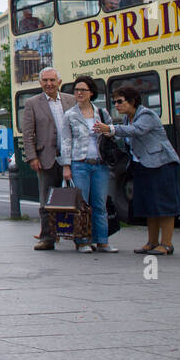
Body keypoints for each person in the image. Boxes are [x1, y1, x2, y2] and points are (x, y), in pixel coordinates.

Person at [94, 85, 180, 256]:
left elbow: (137, 131)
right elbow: (124, 134)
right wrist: (108, 133)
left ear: (132, 101)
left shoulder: (146, 115)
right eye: (114, 102)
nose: (116, 105)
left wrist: (111, 129)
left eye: (119, 101)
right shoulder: (128, 118)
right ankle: (152, 242)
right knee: (149, 205)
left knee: (165, 205)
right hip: (142, 166)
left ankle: (167, 244)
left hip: (161, 165)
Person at [21, 66, 78, 250]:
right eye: (45, 80)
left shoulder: (71, 100)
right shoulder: (32, 103)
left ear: (59, 82)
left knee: (76, 197)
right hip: (46, 157)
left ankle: (79, 236)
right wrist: (32, 157)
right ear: (40, 83)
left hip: (71, 157)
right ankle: (48, 237)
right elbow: (28, 134)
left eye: (52, 80)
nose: (49, 84)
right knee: (46, 199)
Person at [60, 75, 118, 254]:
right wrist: (66, 166)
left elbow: (113, 132)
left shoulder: (101, 113)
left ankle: (102, 241)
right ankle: (82, 240)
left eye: (83, 90)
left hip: (100, 163)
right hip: (80, 164)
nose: (79, 93)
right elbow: (66, 141)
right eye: (76, 90)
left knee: (99, 204)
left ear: (91, 92)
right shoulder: (70, 115)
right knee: (82, 205)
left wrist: (106, 131)